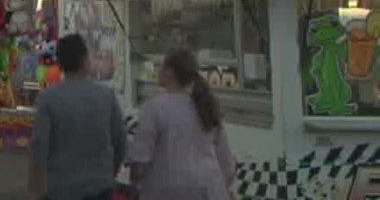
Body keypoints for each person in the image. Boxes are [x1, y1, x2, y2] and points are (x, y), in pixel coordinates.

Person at [127, 48, 236, 200]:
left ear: (170, 72)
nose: (158, 70)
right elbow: (227, 164)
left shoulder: (154, 108)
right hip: (209, 191)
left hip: (165, 192)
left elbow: (140, 160)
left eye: (161, 66)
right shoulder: (206, 107)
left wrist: (136, 187)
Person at [28, 34, 126, 200]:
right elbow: (121, 142)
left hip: (60, 189)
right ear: (84, 60)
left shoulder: (48, 98)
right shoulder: (106, 96)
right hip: (100, 188)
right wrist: (111, 174)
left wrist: (36, 190)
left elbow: (39, 147)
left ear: (60, 63)